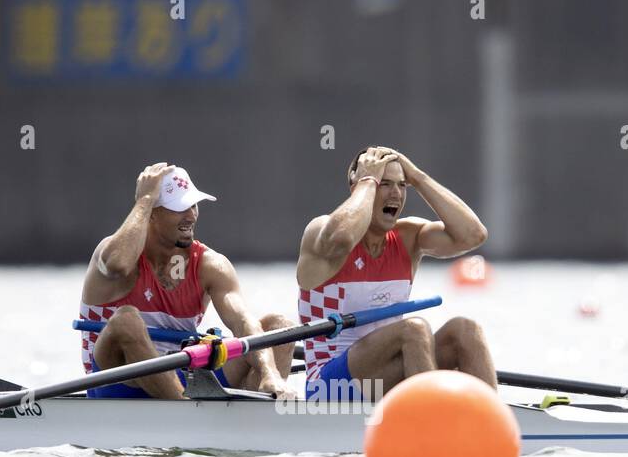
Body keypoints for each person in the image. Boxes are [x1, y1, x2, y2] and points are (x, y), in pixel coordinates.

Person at [295, 146, 494, 401]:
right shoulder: (322, 231)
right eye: (384, 183)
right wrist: (367, 179)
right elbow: (342, 238)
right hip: (328, 386)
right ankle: (432, 423)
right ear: (357, 186)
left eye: (402, 185)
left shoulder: (408, 238)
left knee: (466, 330)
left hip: (387, 375)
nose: (396, 193)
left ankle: (494, 420)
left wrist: (418, 177)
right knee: (413, 329)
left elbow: (474, 235)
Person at [80, 163, 293, 399]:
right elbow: (117, 266)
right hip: (118, 381)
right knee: (126, 320)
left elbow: (242, 321)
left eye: (193, 205)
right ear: (151, 212)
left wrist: (269, 372)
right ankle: (185, 411)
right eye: (180, 208)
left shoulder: (210, 266)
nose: (191, 215)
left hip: (183, 375)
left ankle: (258, 418)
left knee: (278, 329)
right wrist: (145, 197)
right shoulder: (114, 254)